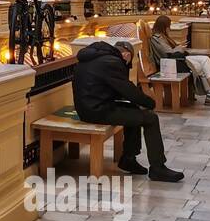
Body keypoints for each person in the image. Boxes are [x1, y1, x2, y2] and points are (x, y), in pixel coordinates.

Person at [72, 38, 183, 182]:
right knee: (150, 118)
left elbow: (112, 88)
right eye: (128, 61)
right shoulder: (112, 62)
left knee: (134, 110)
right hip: (97, 111)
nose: (126, 65)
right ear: (126, 55)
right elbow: (127, 90)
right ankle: (158, 168)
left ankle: (128, 158)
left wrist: (138, 101)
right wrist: (150, 103)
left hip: (88, 107)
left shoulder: (97, 57)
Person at [149, 14, 210, 105]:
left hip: (177, 59)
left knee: (205, 59)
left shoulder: (163, 36)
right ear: (163, 27)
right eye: (168, 26)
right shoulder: (156, 38)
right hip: (172, 62)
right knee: (200, 65)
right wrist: (180, 47)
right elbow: (168, 52)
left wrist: (179, 47)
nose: (169, 29)